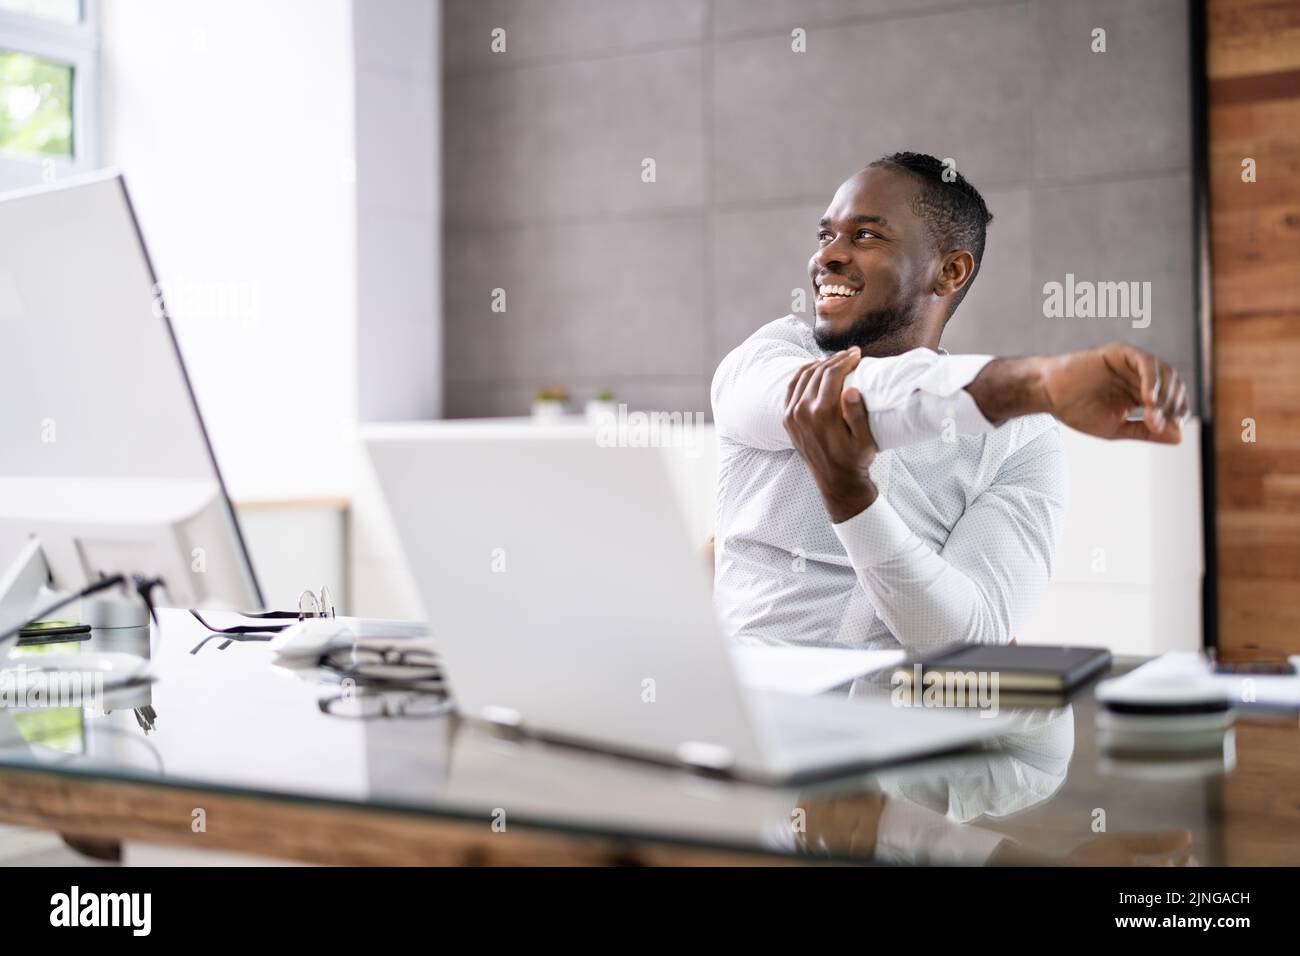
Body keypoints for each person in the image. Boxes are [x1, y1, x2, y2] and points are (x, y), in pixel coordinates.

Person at [711, 151, 1188, 650]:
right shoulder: (767, 359)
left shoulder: (1020, 438)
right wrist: (1040, 384)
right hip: (746, 710)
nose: (827, 255)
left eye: (866, 235)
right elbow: (831, 402)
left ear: (951, 271)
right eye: (826, 235)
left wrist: (851, 497)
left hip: (906, 723)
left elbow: (969, 634)